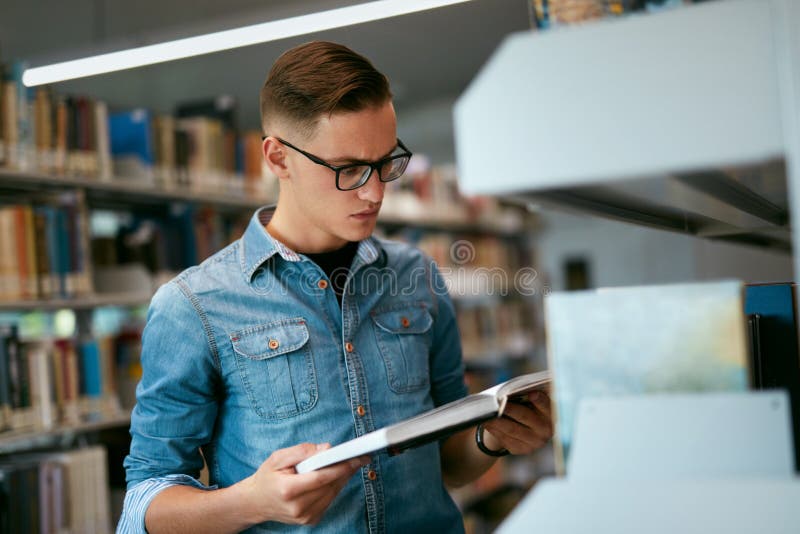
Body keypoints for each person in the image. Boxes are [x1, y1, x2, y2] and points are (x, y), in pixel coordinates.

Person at [117, 41, 553, 534]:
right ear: (278, 158)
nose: (375, 191)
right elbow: (143, 507)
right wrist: (252, 502)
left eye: (387, 162)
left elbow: (447, 463)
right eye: (348, 169)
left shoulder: (419, 276)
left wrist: (491, 437)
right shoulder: (193, 306)